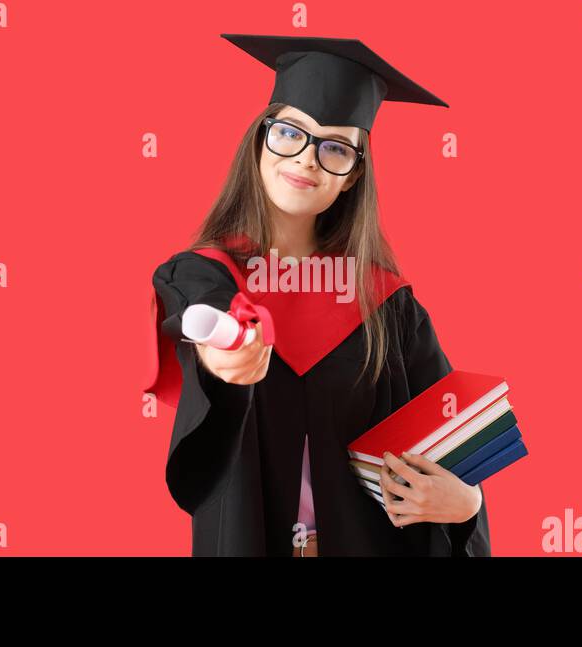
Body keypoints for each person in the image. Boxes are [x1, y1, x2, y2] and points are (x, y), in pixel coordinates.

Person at [144, 34, 490, 557]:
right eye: (290, 133)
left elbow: (454, 444)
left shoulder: (389, 308)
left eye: (334, 147)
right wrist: (223, 356)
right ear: (261, 140)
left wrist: (466, 504)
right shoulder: (206, 276)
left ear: (353, 175)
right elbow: (207, 316)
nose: (307, 159)